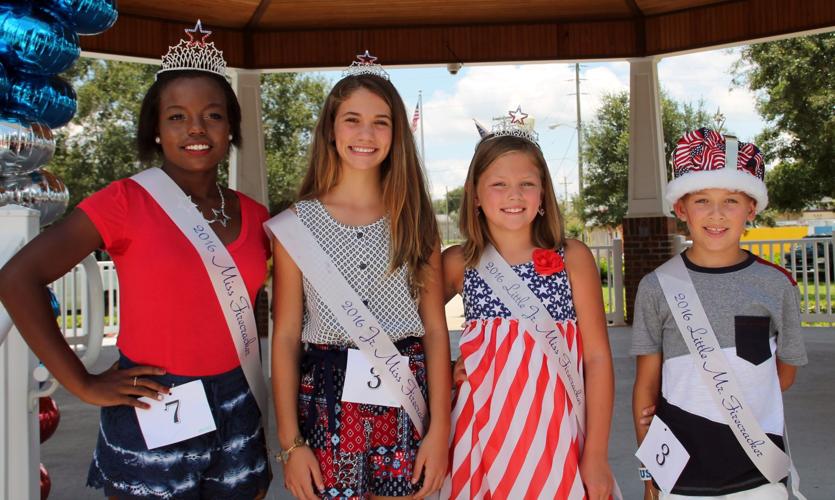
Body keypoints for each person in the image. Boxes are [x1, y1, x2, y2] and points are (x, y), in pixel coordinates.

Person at [0, 21, 272, 499]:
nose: (195, 129)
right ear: (155, 128)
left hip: (238, 398)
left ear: (231, 127)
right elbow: (18, 278)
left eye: (212, 115)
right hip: (155, 401)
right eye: (176, 116)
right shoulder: (125, 200)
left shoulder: (253, 214)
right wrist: (82, 382)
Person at [266, 53, 451, 500]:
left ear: (397, 133)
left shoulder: (415, 220)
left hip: (406, 393)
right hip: (325, 399)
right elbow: (287, 335)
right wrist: (291, 445)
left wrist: (440, 431)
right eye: (352, 119)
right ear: (331, 129)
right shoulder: (297, 223)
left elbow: (434, 330)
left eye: (380, 122)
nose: (365, 134)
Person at [441, 111, 616, 499]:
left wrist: (598, 454)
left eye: (526, 184)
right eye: (498, 184)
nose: (514, 195)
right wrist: (446, 364)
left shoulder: (572, 257)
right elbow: (411, 328)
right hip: (483, 432)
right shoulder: (459, 262)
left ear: (543, 195)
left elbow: (600, 360)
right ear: (475, 195)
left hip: (557, 433)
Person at [631, 128, 807, 500]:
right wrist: (650, 473)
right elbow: (646, 388)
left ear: (751, 209)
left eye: (730, 200)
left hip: (759, 471)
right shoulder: (655, 287)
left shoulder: (777, 285)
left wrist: (735, 399)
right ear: (681, 208)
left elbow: (784, 374)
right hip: (681, 477)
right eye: (702, 201)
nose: (716, 214)